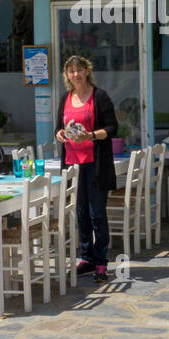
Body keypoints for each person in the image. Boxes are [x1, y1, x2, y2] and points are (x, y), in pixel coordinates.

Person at [54, 55, 118, 282]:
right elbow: (58, 129)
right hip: (72, 164)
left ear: (87, 71)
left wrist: (90, 135)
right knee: (80, 213)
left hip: (95, 163)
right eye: (71, 71)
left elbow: (112, 128)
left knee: (97, 213)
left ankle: (101, 261)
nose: (76, 75)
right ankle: (87, 257)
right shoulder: (65, 98)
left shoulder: (99, 97)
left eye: (80, 70)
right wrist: (60, 135)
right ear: (67, 75)